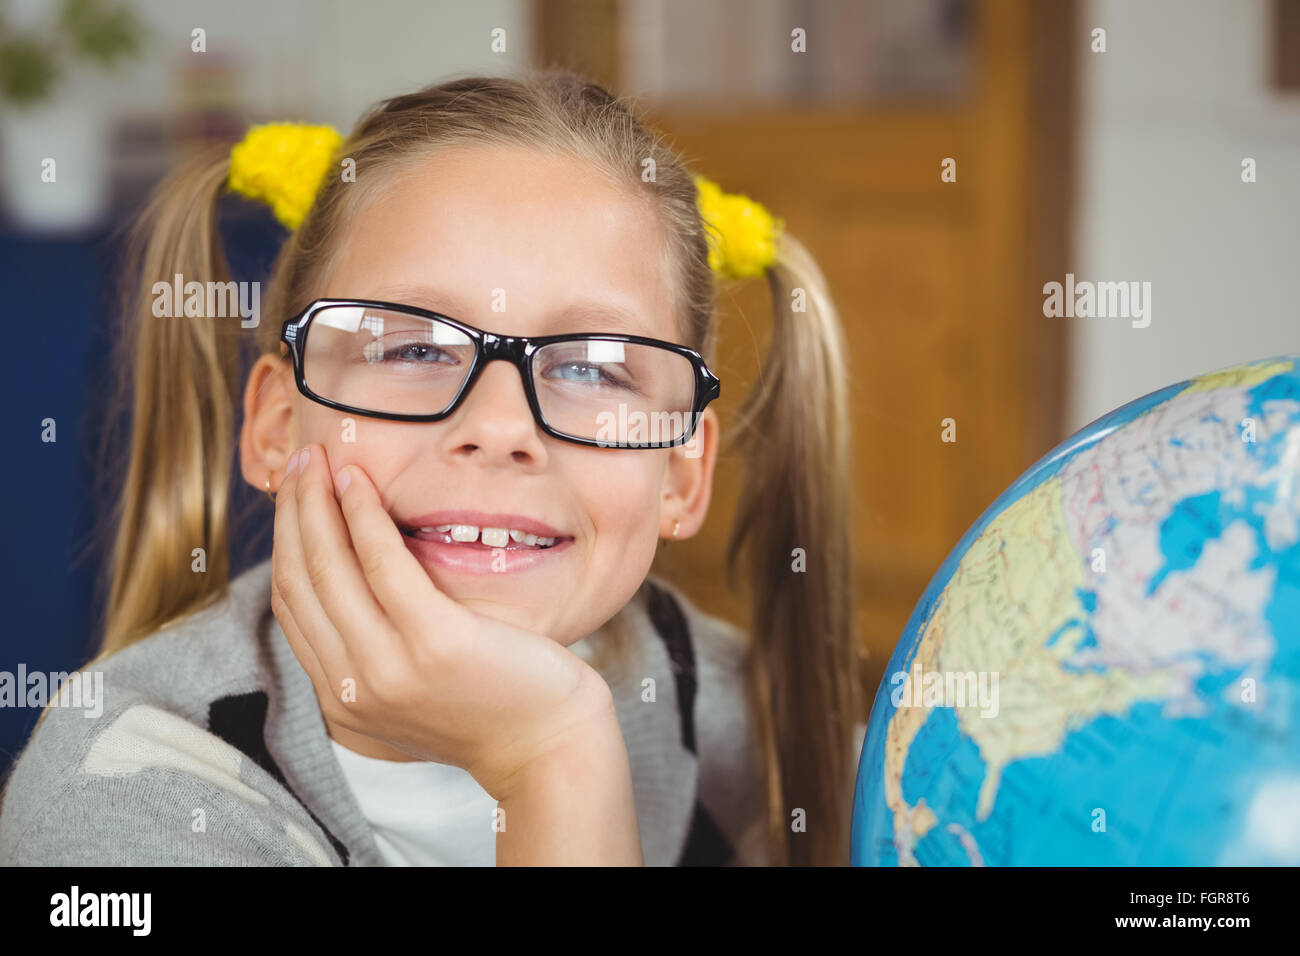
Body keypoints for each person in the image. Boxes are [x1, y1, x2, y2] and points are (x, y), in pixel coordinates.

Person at [0, 69, 860, 866]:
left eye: (592, 367)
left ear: (680, 474)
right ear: (275, 425)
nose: (498, 425)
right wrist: (552, 760)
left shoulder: (753, 722)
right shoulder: (114, 806)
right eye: (412, 345)